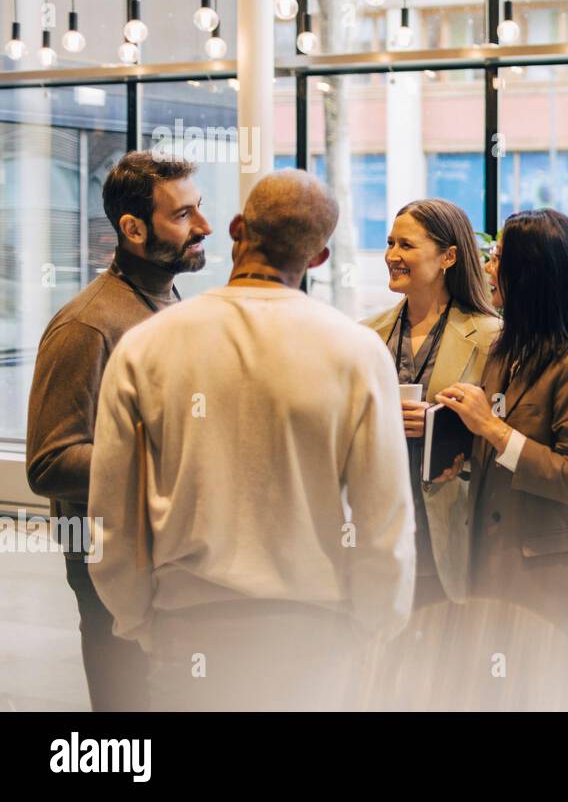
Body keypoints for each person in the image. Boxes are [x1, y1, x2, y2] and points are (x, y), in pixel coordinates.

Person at [87, 170, 414, 711]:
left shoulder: (148, 344)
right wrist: (376, 622)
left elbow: (112, 510)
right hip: (316, 630)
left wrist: (138, 617)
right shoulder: (355, 352)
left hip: (187, 625)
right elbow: (385, 515)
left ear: (238, 229)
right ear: (319, 259)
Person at [26, 151, 211, 711]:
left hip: (165, 556)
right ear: (132, 229)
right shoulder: (87, 325)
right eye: (183, 216)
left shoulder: (169, 298)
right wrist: (167, 458)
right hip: (111, 563)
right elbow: (49, 463)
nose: (203, 226)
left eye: (198, 209)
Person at [435, 209, 568, 709]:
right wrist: (464, 455)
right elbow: (507, 450)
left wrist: (491, 429)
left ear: (532, 272)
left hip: (556, 584)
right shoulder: (505, 349)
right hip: (493, 569)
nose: (487, 266)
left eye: (499, 257)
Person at [363, 199, 501, 609]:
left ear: (448, 257)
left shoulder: (491, 338)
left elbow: (506, 431)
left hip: (453, 526)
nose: (392, 256)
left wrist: (443, 427)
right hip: (381, 525)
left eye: (405, 245)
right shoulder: (368, 334)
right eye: (389, 244)